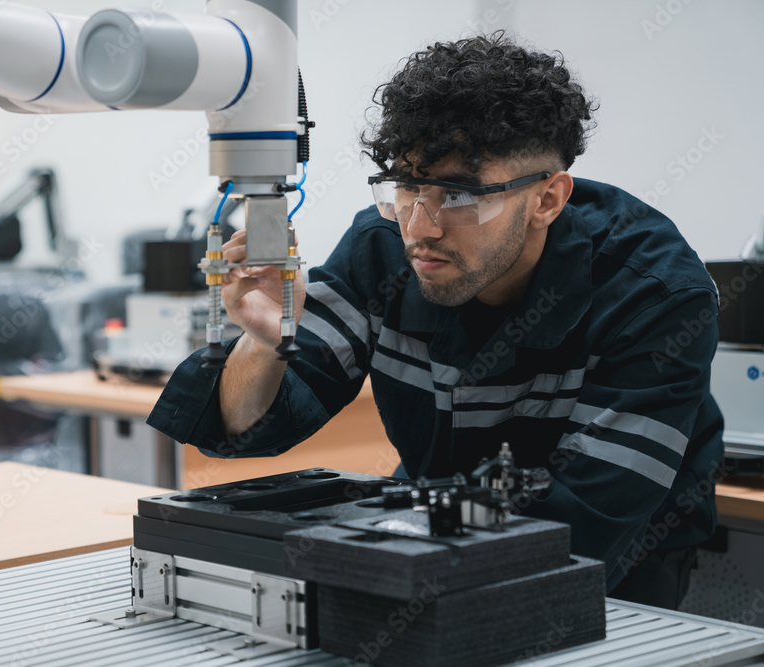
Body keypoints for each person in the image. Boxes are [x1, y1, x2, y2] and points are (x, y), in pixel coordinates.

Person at [147, 32, 724, 610]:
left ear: (548, 200)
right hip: (436, 529)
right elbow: (246, 429)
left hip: (622, 563)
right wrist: (265, 340)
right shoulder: (381, 251)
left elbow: (588, 523)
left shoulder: (654, 296)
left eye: (459, 194)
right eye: (407, 185)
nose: (419, 227)